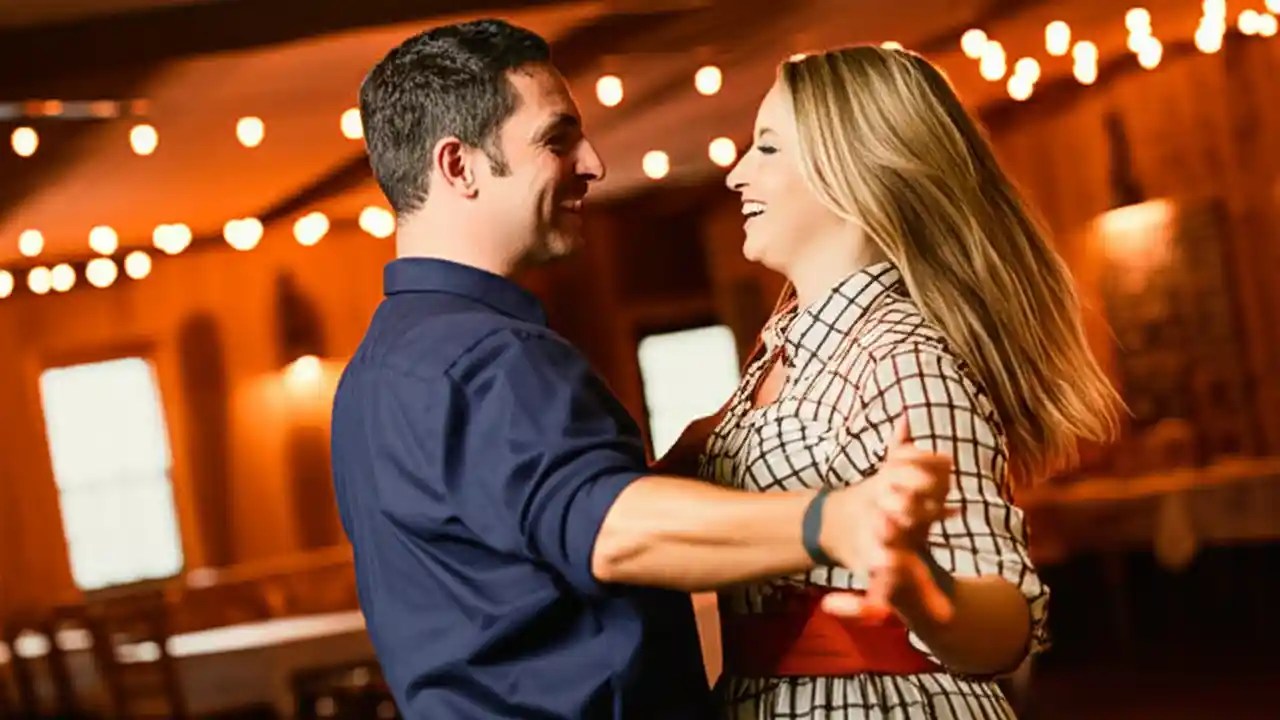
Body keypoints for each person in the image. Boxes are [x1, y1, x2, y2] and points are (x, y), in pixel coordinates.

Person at [330, 20, 957, 720]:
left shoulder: (376, 371)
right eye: (556, 139)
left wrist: (681, 469)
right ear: (458, 166)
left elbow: (510, 559)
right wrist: (833, 520)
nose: (593, 162)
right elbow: (606, 533)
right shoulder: (493, 359)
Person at [674, 45, 1122, 718]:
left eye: (766, 148)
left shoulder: (902, 358)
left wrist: (921, 589)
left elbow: (1004, 622)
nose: (737, 174)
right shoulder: (784, 353)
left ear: (849, 170)